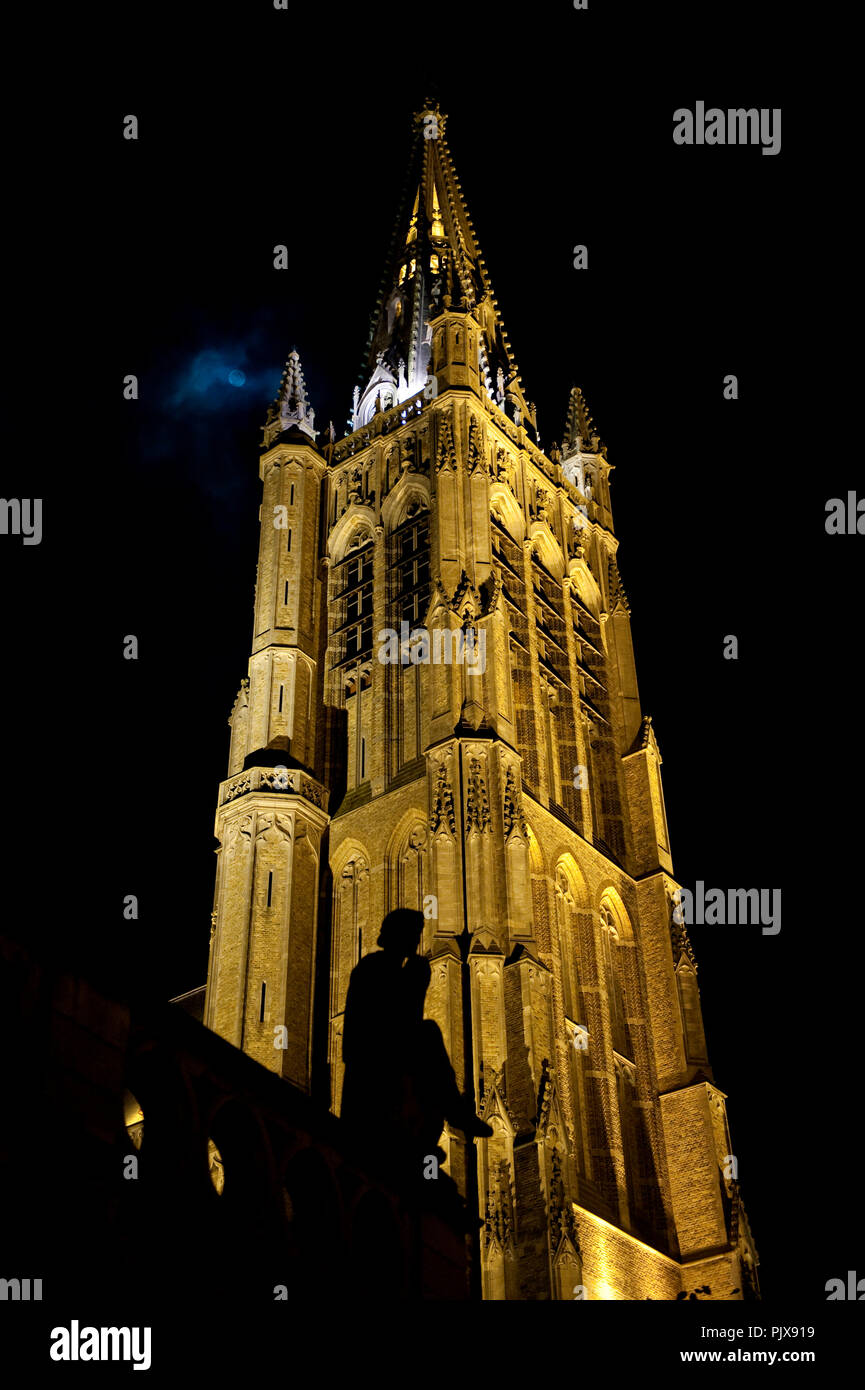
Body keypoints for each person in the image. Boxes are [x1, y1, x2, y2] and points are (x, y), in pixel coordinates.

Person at [341, 908, 491, 1173]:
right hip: (372, 1056)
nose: (417, 941)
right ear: (397, 935)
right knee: (429, 1032)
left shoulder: (403, 969)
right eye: (413, 934)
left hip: (393, 1052)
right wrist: (414, 977)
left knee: (428, 1035)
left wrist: (416, 976)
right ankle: (455, 1110)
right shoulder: (372, 968)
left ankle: (451, 1112)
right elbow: (391, 1022)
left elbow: (406, 1021)